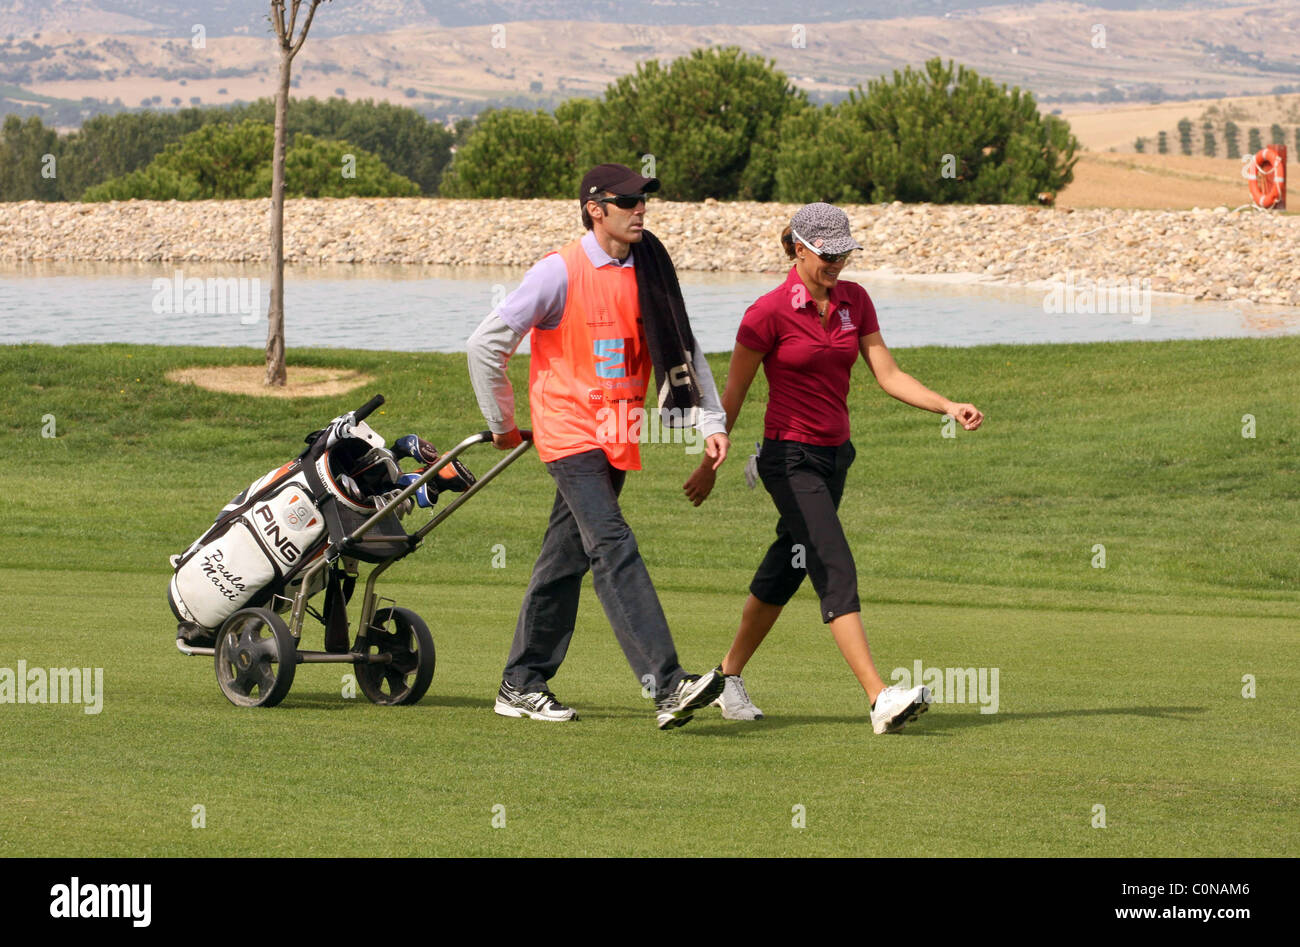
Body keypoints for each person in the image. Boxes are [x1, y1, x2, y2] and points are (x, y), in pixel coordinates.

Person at [682, 202, 984, 734]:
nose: (837, 263)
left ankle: (726, 679)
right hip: (787, 458)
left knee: (789, 563)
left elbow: (887, 373)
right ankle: (878, 697)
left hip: (834, 456)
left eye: (844, 253)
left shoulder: (855, 301)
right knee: (831, 561)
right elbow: (734, 393)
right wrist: (710, 461)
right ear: (798, 249)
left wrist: (946, 405)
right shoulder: (766, 313)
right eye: (828, 254)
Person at [466, 163, 729, 730]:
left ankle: (521, 680)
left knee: (564, 561)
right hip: (567, 432)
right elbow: (485, 346)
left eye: (644, 201)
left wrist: (711, 420)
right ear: (595, 208)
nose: (641, 210)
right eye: (629, 201)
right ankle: (668, 684)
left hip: (617, 437)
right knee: (612, 543)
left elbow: (684, 346)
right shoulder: (557, 273)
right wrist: (504, 424)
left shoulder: (650, 270)